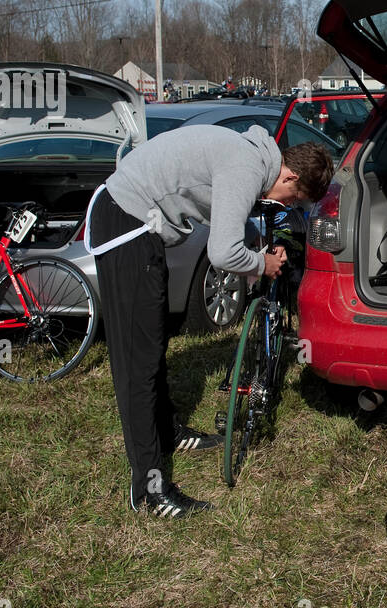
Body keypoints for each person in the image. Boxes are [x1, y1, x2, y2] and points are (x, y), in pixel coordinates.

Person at [87, 125, 333, 518]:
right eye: (293, 198)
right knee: (138, 363)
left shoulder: (254, 158)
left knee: (152, 343)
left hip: (135, 222)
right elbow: (221, 252)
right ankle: (148, 491)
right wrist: (262, 263)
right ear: (289, 175)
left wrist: (257, 244)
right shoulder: (247, 167)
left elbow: (234, 217)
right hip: (126, 224)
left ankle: (166, 433)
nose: (286, 204)